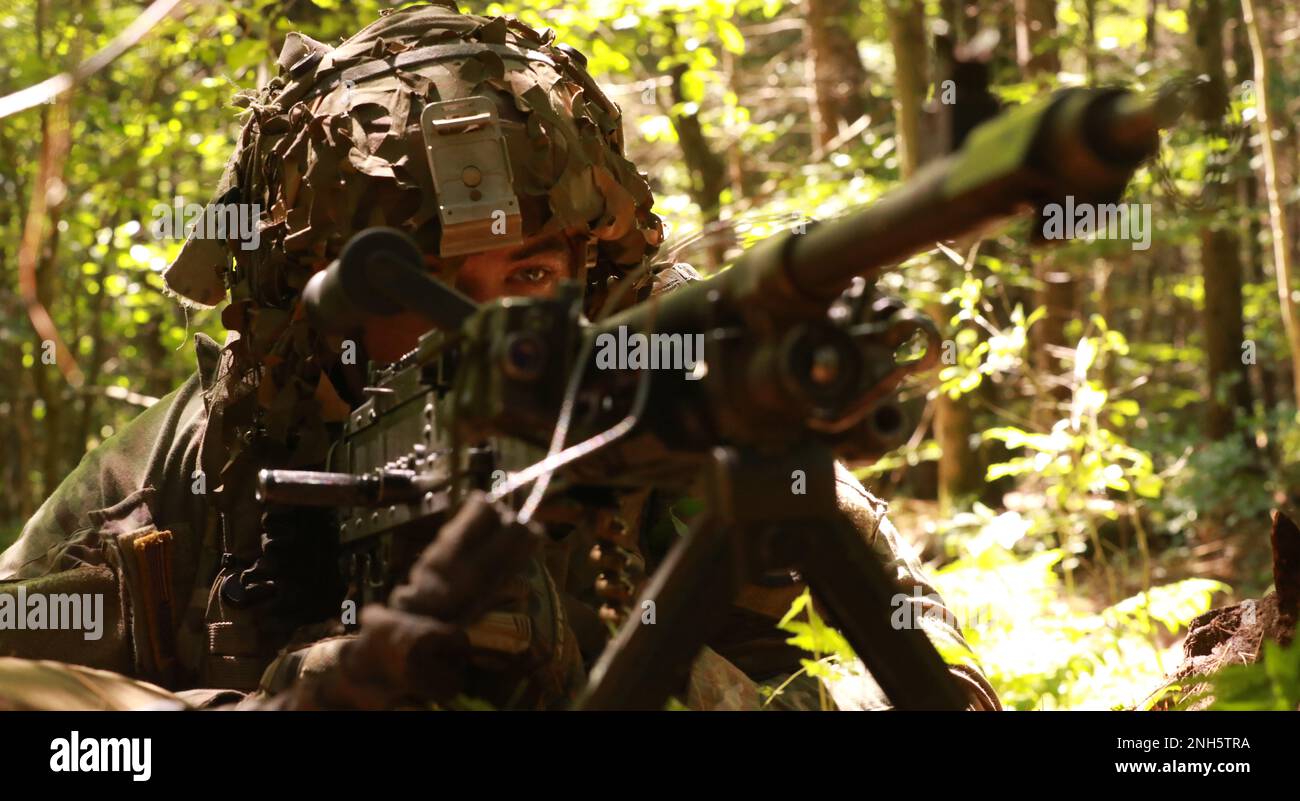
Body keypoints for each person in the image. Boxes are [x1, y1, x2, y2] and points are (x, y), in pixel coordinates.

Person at [0, 1, 998, 711]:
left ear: (590, 267)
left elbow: (936, 682)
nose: (480, 334)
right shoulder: (186, 465)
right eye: (411, 289)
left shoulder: (668, 407)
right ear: (308, 307)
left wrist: (628, 675)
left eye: (528, 278)